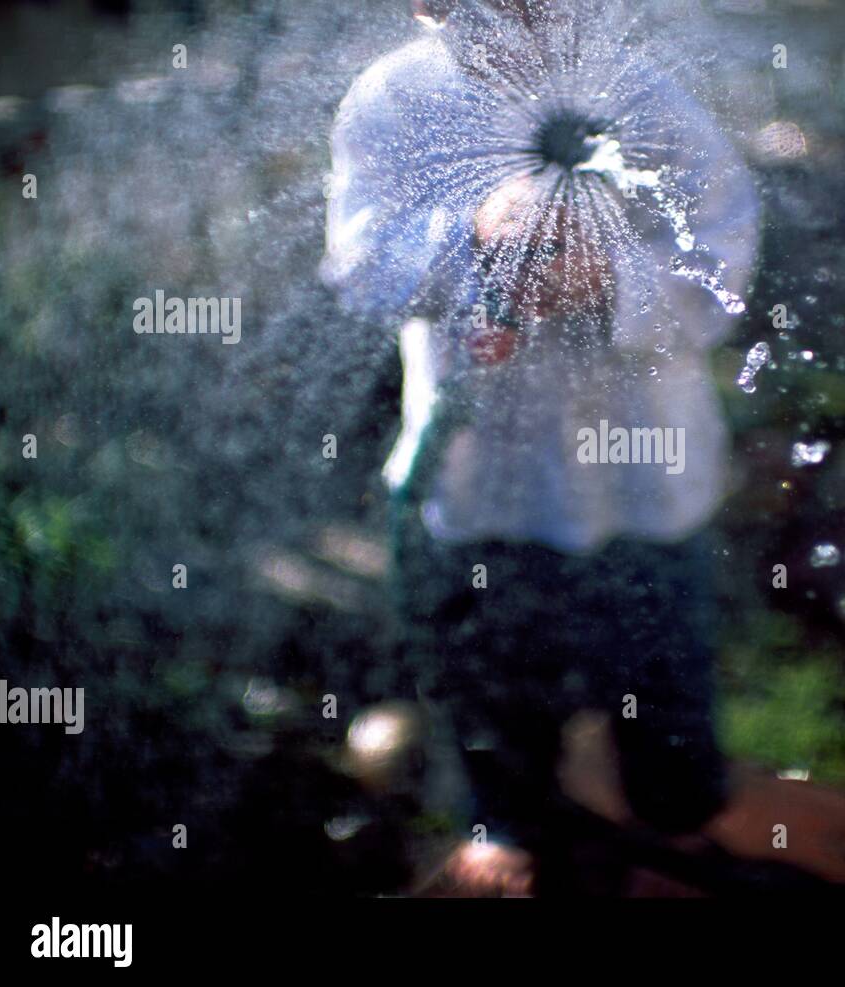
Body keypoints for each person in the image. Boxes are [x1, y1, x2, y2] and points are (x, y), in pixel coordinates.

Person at [321, 0, 759, 893]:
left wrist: (614, 280)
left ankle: (674, 818)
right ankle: (509, 822)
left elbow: (722, 257)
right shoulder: (396, 101)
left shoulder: (645, 100)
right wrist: (472, 236)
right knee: (493, 673)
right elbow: (362, 263)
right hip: (491, 471)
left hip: (640, 471)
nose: (521, 28)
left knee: (658, 665)